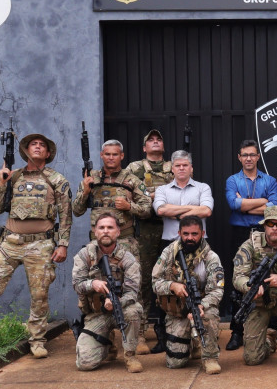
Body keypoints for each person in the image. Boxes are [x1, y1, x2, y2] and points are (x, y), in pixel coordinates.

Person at [0, 133, 72, 359]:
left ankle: (37, 339)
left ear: (48, 153)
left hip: (40, 245)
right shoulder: (13, 176)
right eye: (33, 144)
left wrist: (62, 245)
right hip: (10, 244)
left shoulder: (57, 180)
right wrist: (1, 182)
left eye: (41, 145)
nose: (37, 147)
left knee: (39, 294)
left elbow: (65, 216)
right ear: (25, 150)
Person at [151, 149, 214, 353]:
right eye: (177, 165)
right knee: (167, 290)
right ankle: (163, 337)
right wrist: (190, 209)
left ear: (191, 168)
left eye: (185, 165)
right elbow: (160, 210)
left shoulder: (203, 187)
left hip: (198, 245)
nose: (181, 168)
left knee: (201, 287)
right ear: (172, 168)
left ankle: (202, 333)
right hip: (170, 245)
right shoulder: (162, 189)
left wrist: (176, 212)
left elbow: (206, 210)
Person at [232, 206, 277, 371]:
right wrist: (250, 286)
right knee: (251, 359)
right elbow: (237, 278)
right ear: (264, 225)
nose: (274, 228)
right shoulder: (250, 245)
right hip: (259, 303)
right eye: (271, 223)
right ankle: (269, 340)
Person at [224, 139, 277, 351]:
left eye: (252, 154)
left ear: (258, 157)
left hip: (264, 232)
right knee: (239, 280)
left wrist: (246, 207)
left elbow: (275, 206)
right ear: (239, 158)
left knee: (269, 278)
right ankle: (236, 332)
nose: (248, 158)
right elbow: (233, 204)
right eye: (244, 155)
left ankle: (274, 330)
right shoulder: (233, 180)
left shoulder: (269, 180)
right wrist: (263, 202)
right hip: (240, 234)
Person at [151, 215, 224, 374]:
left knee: (210, 315)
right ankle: (192, 343)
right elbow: (155, 282)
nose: (190, 238)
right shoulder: (169, 252)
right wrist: (172, 286)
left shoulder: (211, 257)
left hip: (201, 308)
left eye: (194, 234)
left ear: (202, 233)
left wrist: (201, 305)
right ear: (179, 233)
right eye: (185, 234)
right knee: (175, 363)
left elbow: (217, 290)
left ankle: (210, 357)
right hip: (177, 312)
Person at [72, 214, 143, 373]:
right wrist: (93, 284)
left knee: (134, 311)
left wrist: (117, 302)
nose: (105, 231)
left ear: (118, 232)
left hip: (121, 309)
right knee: (85, 364)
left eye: (110, 228)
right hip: (96, 313)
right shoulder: (84, 255)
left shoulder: (127, 258)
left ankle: (130, 355)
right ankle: (107, 345)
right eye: (101, 228)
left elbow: (132, 292)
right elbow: (77, 284)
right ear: (95, 231)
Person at [126, 129, 173, 355]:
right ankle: (142, 331)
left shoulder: (174, 167)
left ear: (163, 146)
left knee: (170, 277)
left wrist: (151, 196)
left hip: (170, 227)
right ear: (144, 148)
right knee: (144, 281)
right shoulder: (134, 168)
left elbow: (180, 194)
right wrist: (155, 197)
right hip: (144, 231)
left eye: (159, 139)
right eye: (150, 141)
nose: (155, 142)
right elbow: (129, 196)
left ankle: (169, 328)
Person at [72, 139, 151, 260]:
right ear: (101, 155)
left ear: (122, 156)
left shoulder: (132, 180)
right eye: (107, 154)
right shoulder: (91, 179)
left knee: (130, 278)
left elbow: (147, 210)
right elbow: (76, 211)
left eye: (115, 154)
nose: (111, 157)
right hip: (97, 243)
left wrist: (129, 207)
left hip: (125, 242)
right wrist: (85, 192)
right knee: (96, 278)